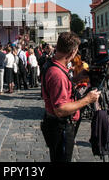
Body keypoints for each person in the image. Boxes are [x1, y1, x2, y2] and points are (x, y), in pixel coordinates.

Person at [40, 32, 100, 162]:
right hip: (60, 127)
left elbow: (61, 87)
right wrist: (87, 100)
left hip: (56, 124)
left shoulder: (54, 65)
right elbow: (60, 109)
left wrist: (77, 78)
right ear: (72, 52)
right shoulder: (58, 74)